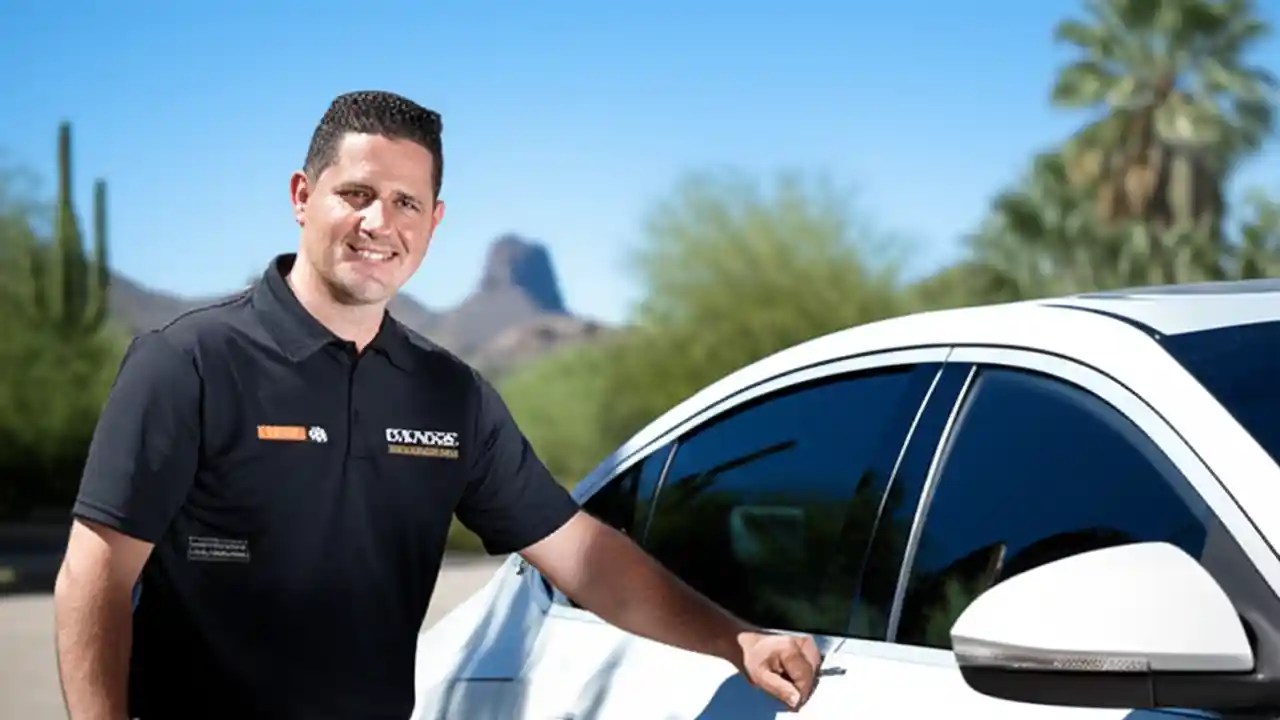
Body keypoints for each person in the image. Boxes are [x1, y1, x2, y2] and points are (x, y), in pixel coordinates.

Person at [52, 90, 822, 719]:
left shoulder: (451, 396)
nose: (379, 224)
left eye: (405, 203)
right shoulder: (187, 362)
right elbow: (95, 576)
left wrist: (735, 640)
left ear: (434, 222)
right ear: (302, 196)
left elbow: (584, 557)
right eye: (356, 194)